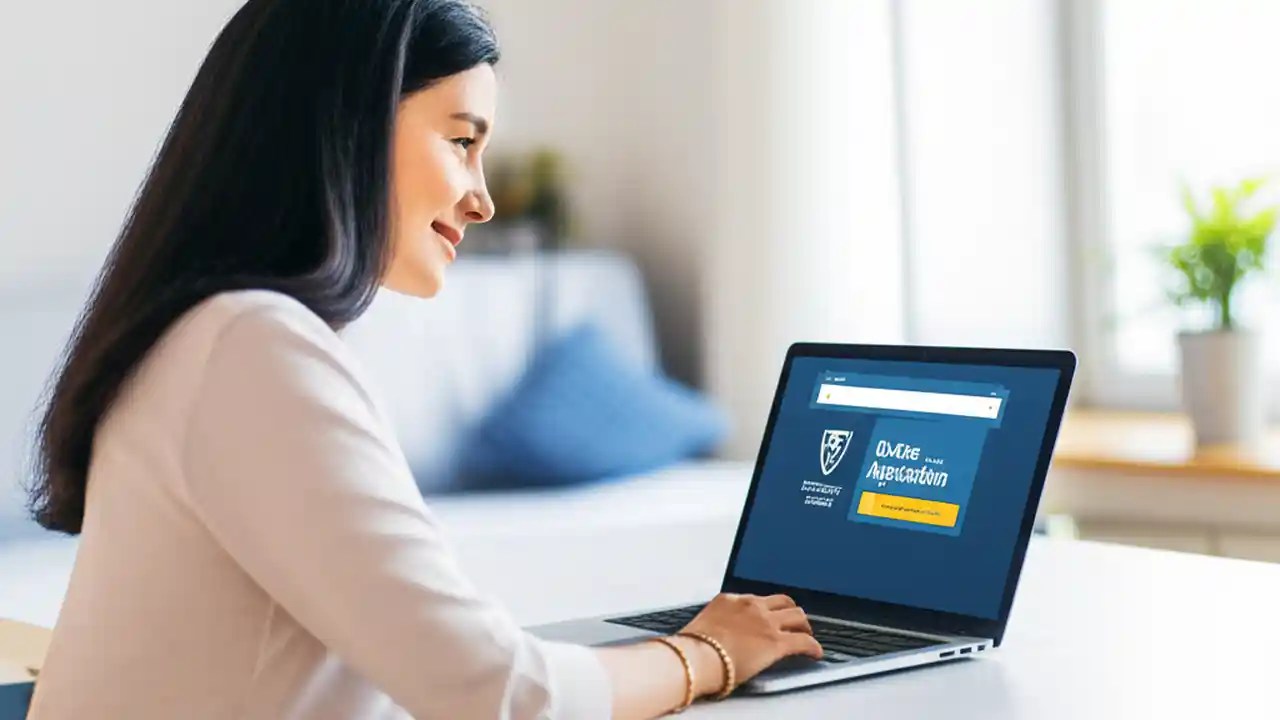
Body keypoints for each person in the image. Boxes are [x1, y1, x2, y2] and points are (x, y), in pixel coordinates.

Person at [24, 1, 822, 717]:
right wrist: (705, 655)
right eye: (461, 141)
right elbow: (501, 696)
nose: (484, 199)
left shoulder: (210, 335)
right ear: (351, 126)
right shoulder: (251, 348)